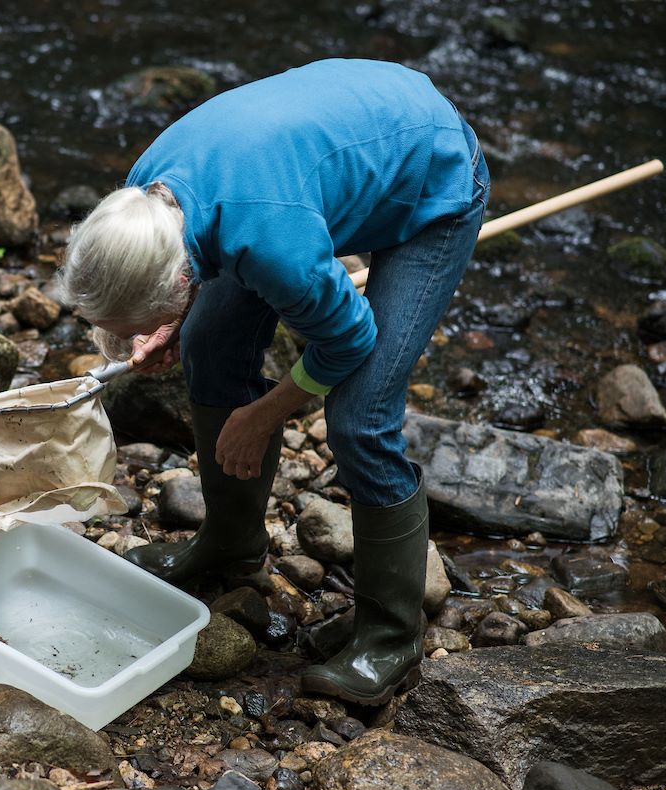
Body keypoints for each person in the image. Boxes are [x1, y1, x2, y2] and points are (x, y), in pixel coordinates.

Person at [58, 59, 489, 705]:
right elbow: (186, 294)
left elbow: (349, 338)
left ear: (178, 279)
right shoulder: (138, 202)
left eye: (139, 324)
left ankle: (392, 637)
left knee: (359, 422)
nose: (132, 339)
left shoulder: (272, 243)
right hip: (325, 158)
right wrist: (161, 327)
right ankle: (230, 541)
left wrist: (263, 415)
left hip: (430, 175)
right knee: (206, 341)